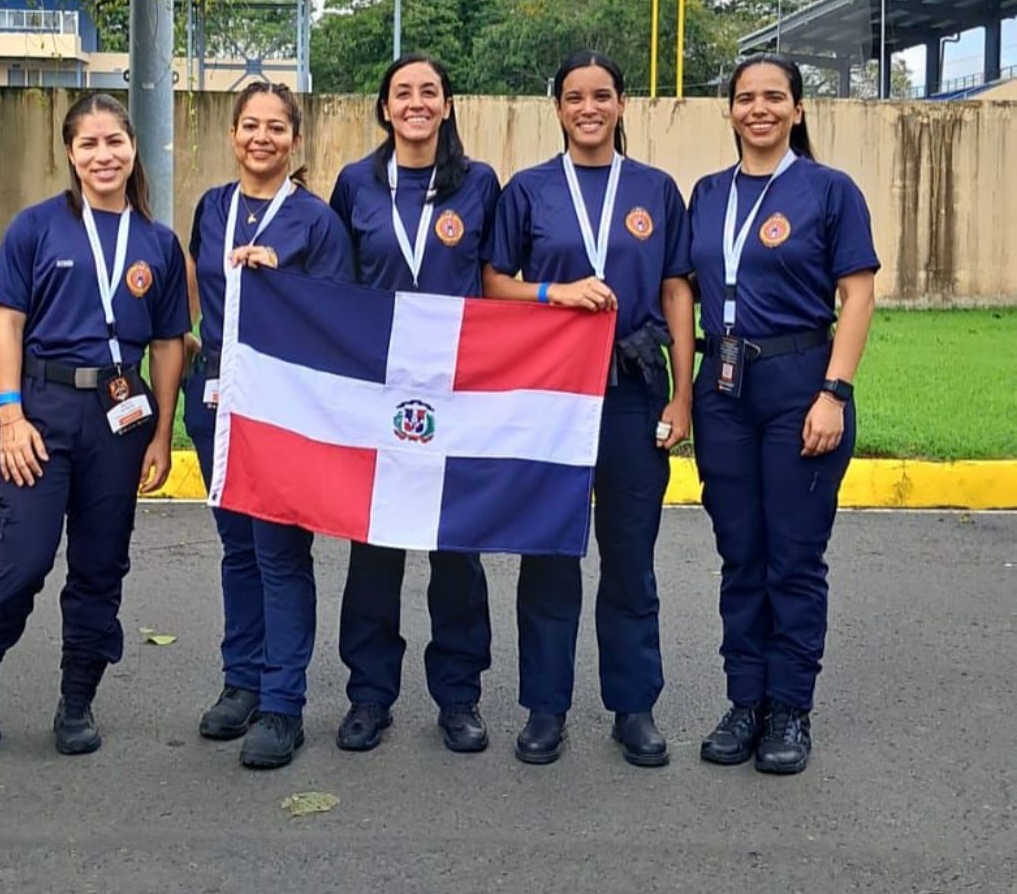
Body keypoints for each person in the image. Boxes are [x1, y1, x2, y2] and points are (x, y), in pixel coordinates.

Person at [0, 92, 188, 760]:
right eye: (89, 144)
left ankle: (77, 697)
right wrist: (9, 412)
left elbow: (170, 342)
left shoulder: (157, 243)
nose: (103, 154)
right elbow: (6, 321)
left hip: (119, 419)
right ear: (70, 154)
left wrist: (163, 433)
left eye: (115, 141)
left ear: (133, 147)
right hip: (42, 410)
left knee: (100, 564)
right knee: (18, 562)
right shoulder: (36, 228)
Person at [483, 50, 694, 767]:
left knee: (630, 558)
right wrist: (555, 294)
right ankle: (546, 706)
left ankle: (634, 706)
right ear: (559, 107)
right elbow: (494, 281)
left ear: (622, 104)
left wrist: (683, 391)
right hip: (550, 395)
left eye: (601, 95)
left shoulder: (657, 189)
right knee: (548, 554)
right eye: (574, 96)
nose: (588, 107)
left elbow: (675, 293)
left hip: (634, 389)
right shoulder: (529, 190)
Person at [689, 53, 877, 775]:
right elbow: (683, 288)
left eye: (774, 96)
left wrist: (836, 391)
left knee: (793, 558)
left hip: (802, 380)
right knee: (741, 554)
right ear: (730, 110)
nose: (758, 108)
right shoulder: (708, 193)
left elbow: (857, 295)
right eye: (745, 97)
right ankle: (745, 701)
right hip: (724, 385)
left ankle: (790, 708)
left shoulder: (829, 190)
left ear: (798, 109)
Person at [329, 54, 499, 755]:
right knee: (374, 547)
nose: (417, 102)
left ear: (448, 104)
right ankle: (369, 694)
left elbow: (498, 281)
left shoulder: (480, 184)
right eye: (403, 92)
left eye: (429, 90)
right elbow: (333, 280)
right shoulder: (356, 184)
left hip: (457, 390)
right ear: (385, 108)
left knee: (456, 550)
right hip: (380, 390)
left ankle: (459, 696)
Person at [184, 81, 353, 770]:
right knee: (236, 548)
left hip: (283, 400)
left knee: (280, 552)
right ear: (233, 136)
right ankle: (242, 680)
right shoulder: (213, 207)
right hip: (218, 394)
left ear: (295, 140)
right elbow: (202, 283)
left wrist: (283, 279)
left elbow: (339, 315)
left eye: (276, 127)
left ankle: (284, 703)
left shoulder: (315, 220)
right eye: (249, 125)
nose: (261, 137)